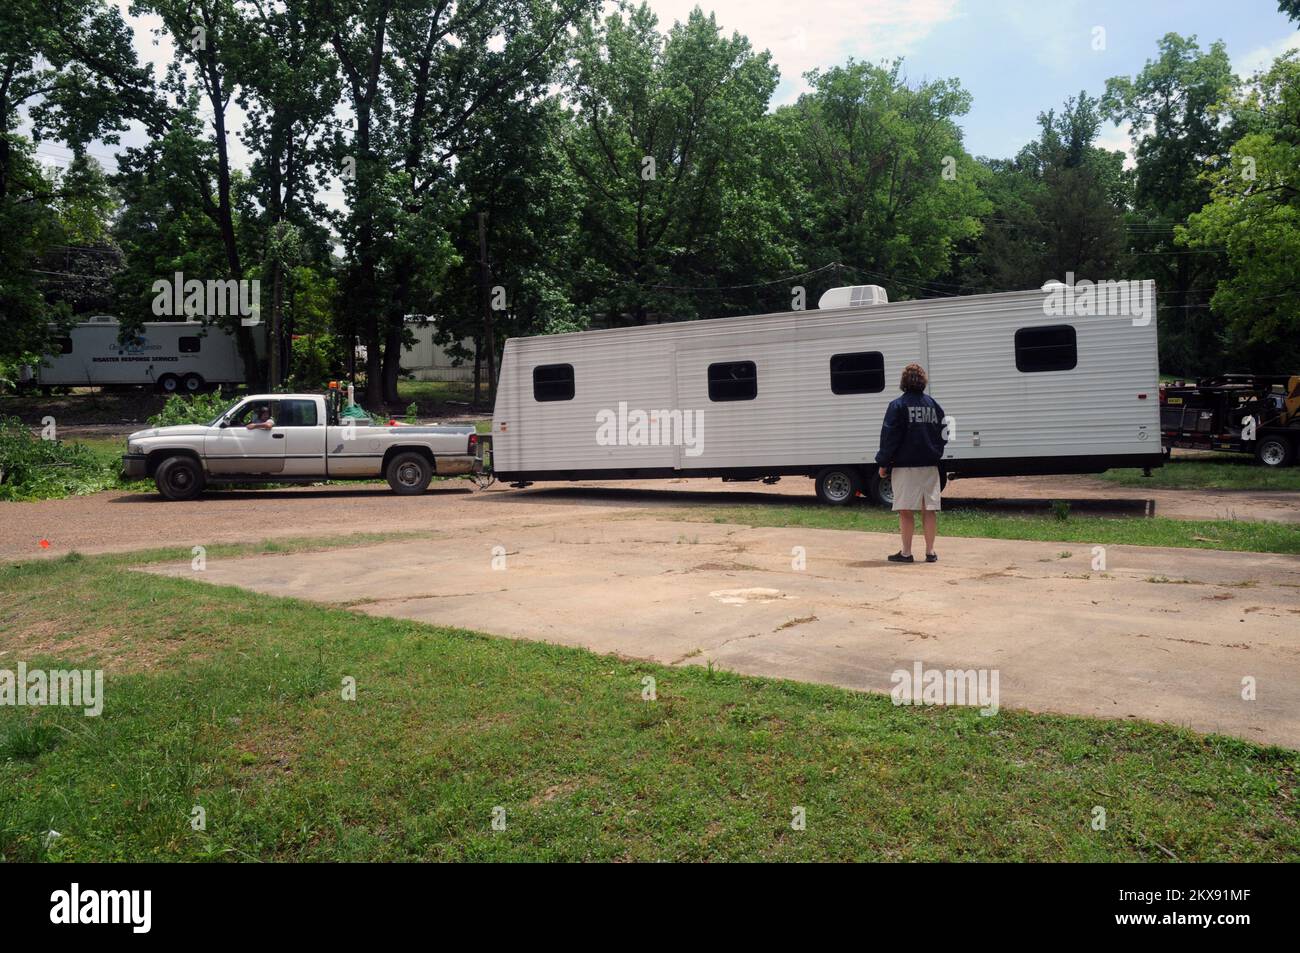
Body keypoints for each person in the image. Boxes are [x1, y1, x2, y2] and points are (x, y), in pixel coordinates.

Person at [875, 363, 947, 563]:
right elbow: (944, 432)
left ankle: (906, 553)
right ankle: (930, 552)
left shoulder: (897, 406)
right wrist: (936, 451)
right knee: (929, 510)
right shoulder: (933, 405)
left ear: (903, 382)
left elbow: (890, 437)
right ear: (923, 381)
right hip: (930, 467)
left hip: (905, 467)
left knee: (906, 511)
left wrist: (883, 462)